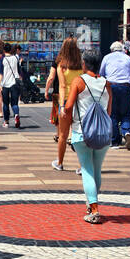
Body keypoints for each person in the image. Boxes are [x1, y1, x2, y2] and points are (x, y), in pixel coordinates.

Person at [64, 50, 113, 224]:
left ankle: (94, 209)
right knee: (96, 169)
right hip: (102, 133)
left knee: (86, 169)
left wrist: (63, 113)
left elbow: (69, 106)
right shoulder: (106, 83)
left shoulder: (79, 81)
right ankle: (91, 203)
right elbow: (108, 110)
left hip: (82, 132)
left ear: (84, 64)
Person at [51, 37, 84, 170]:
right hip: (80, 101)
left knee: (63, 135)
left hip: (66, 101)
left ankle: (59, 162)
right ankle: (83, 166)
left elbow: (62, 86)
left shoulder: (62, 65)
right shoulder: (81, 64)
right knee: (80, 134)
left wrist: (62, 106)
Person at [100, 39, 130, 149]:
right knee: (125, 113)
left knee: (113, 113)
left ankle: (115, 140)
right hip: (126, 86)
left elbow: (102, 73)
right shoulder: (128, 58)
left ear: (112, 50)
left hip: (112, 86)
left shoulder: (107, 58)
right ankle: (127, 133)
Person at [0, 42, 23, 129]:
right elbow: (19, 71)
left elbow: (0, 73)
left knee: (5, 103)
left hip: (5, 84)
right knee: (14, 103)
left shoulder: (3, 59)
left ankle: (6, 122)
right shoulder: (16, 58)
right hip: (15, 83)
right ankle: (16, 114)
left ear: (4, 50)